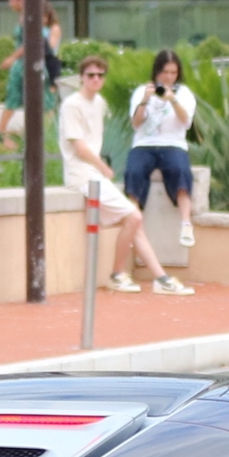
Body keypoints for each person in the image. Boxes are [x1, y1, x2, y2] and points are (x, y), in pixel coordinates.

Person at [62, 56, 188, 296]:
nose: (96, 79)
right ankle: (118, 275)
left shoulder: (99, 103)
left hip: (95, 175)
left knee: (134, 221)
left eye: (100, 75)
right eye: (90, 75)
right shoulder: (71, 105)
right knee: (134, 217)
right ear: (81, 78)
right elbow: (79, 147)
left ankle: (160, 278)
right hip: (82, 176)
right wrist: (103, 167)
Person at [124, 47, 196, 249]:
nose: (169, 77)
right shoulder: (142, 91)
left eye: (173, 73)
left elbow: (186, 122)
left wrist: (173, 99)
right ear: (157, 72)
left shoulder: (184, 94)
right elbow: (136, 123)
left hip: (173, 143)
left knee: (180, 170)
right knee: (134, 172)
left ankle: (186, 223)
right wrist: (145, 100)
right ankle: (134, 226)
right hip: (144, 144)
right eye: (165, 72)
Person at [0, 0, 60, 136]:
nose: (10, 4)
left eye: (12, 0)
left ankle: (45, 134)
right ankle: (1, 131)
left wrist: (12, 58)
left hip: (39, 63)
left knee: (45, 99)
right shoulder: (23, 18)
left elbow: (34, 43)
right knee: (14, 95)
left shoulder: (44, 25)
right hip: (22, 64)